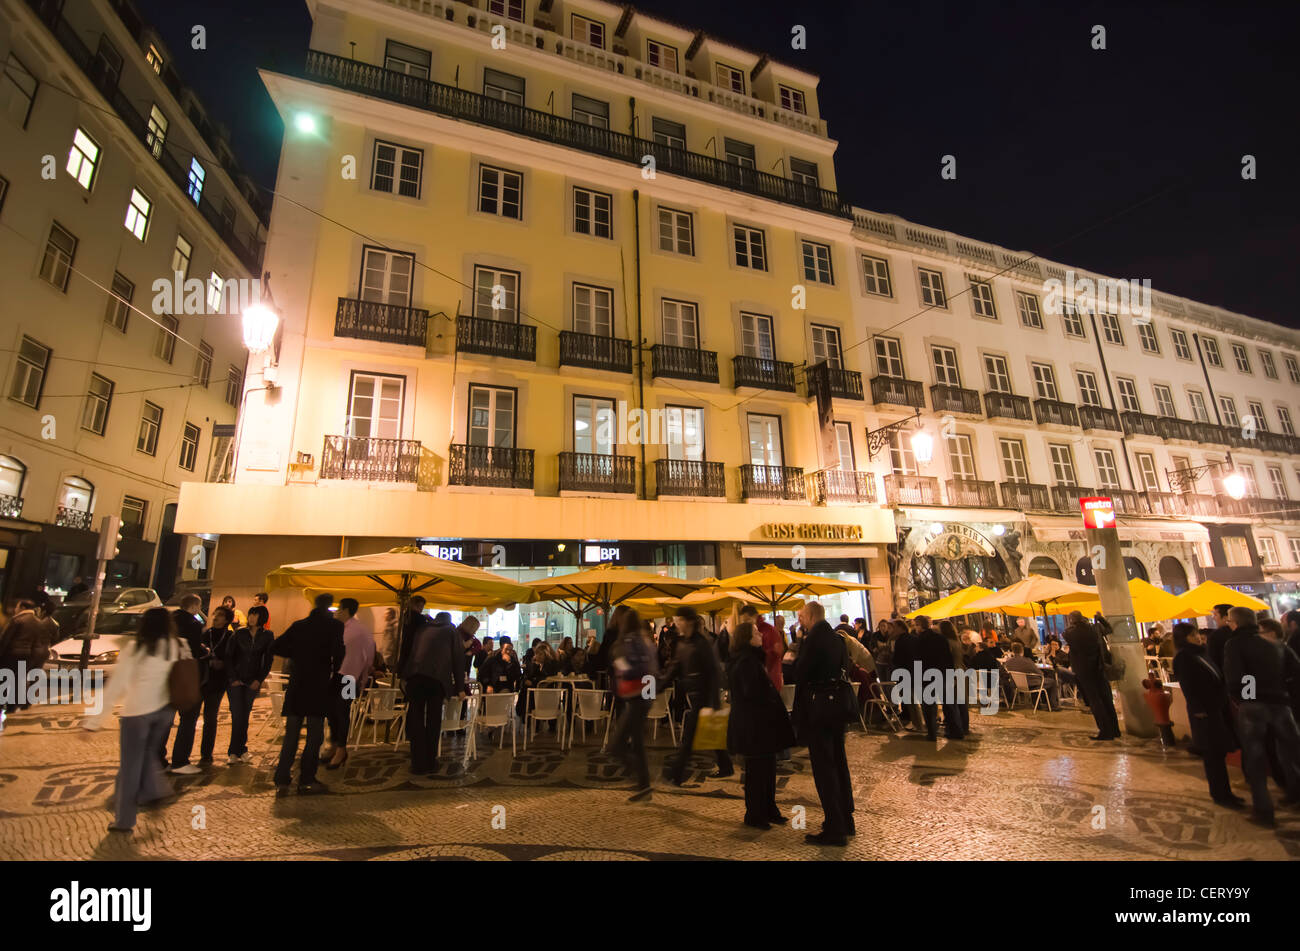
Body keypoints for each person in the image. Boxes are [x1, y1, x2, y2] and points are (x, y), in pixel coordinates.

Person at [82, 607, 188, 833]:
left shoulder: (135, 648)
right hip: (165, 712)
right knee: (147, 755)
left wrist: (93, 722)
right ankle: (153, 790)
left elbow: (116, 685)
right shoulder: (178, 645)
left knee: (130, 767)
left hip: (136, 713)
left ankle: (127, 818)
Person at [1222, 606, 1300, 826]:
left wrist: (1250, 697)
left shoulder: (1236, 644)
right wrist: (1283, 694)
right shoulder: (1276, 645)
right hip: (1281, 704)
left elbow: (1238, 677)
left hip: (1254, 706)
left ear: (1235, 623)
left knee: (1255, 758)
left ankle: (1264, 811)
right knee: (1293, 752)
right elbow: (1296, 673)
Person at [791, 601, 854, 845]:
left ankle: (834, 828)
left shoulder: (813, 640)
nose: (800, 622)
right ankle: (847, 820)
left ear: (810, 616)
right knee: (839, 762)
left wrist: (796, 652)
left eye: (801, 617)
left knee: (824, 768)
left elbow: (801, 673)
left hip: (818, 711)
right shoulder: (837, 639)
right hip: (837, 708)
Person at [271, 594, 345, 794]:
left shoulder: (299, 625)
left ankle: (282, 779)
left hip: (297, 685)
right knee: (314, 736)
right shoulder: (335, 627)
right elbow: (339, 654)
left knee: (291, 736)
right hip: (318, 686)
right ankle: (306, 779)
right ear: (329, 606)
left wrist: (296, 654)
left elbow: (276, 646)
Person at [726, 620, 796, 829]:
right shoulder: (745, 662)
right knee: (757, 771)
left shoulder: (753, 659)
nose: (761, 635)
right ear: (746, 638)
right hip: (753, 726)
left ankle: (768, 809)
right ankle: (755, 814)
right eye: (756, 633)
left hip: (761, 725)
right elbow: (751, 694)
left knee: (767, 768)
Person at [1172, 622, 1242, 808]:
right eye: (1192, 634)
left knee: (1218, 752)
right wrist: (1198, 709)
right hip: (1204, 713)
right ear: (1184, 637)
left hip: (1216, 708)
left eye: (1196, 634)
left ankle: (1226, 792)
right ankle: (1221, 794)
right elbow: (1188, 686)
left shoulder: (1200, 653)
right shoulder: (1184, 657)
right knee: (1212, 754)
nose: (1198, 637)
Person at [668, 607, 733, 785]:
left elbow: (712, 672)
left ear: (688, 621)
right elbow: (673, 669)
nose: (677, 623)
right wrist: (652, 689)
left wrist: (713, 702)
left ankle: (676, 775)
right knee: (709, 734)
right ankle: (726, 766)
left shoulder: (701, 643)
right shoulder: (682, 643)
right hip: (694, 696)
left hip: (704, 697)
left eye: (679, 619)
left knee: (689, 738)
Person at [399, 610, 465, 775]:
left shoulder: (423, 629)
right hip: (436, 680)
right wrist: (460, 688)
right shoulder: (451, 631)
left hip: (414, 678)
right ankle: (430, 761)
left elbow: (412, 652)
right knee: (433, 721)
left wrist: (404, 676)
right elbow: (458, 659)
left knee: (416, 720)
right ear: (449, 621)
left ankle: (417, 763)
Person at [608, 608, 658, 802]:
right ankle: (644, 786)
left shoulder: (629, 641)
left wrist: (622, 669)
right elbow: (653, 670)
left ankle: (638, 776)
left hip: (635, 696)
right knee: (637, 742)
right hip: (644, 696)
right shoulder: (647, 640)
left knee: (616, 745)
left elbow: (633, 668)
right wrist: (649, 698)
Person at [323, 598, 373, 769]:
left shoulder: (358, 630)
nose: (336, 612)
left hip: (350, 678)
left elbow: (368, 655)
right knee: (330, 710)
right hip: (335, 676)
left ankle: (341, 750)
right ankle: (335, 744)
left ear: (345, 610)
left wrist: (363, 678)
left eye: (339, 609)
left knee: (342, 712)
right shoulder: (340, 628)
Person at [223, 604, 273, 765]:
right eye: (250, 614)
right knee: (237, 715)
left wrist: (259, 680)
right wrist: (232, 678)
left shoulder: (267, 635)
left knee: (245, 715)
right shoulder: (239, 633)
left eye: (255, 615)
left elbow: (268, 660)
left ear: (262, 618)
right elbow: (229, 657)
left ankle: (241, 749)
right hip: (236, 681)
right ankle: (234, 751)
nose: (251, 617)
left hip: (253, 681)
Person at [1064, 610, 1120, 740]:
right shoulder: (1095, 628)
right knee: (1106, 699)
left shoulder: (1071, 633)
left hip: (1085, 671)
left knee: (1095, 701)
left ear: (1072, 620)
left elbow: (1065, 633)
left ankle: (1105, 731)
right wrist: (1100, 618)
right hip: (1100, 667)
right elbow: (1109, 629)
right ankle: (1115, 729)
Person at [167, 595, 207, 773]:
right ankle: (180, 760)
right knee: (188, 719)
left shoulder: (168, 621)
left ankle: (159, 759)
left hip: (166, 676)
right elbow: (195, 651)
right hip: (186, 676)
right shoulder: (193, 624)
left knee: (166, 719)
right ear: (195, 607)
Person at [196, 606, 235, 766]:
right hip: (201, 679)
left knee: (210, 717)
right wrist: (207, 660)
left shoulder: (230, 636)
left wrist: (223, 664)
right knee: (191, 716)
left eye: (220, 615)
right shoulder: (206, 633)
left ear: (226, 619)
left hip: (218, 682)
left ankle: (206, 753)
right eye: (215, 614)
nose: (215, 617)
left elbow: (233, 658)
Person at [916, 614, 965, 738]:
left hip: (927, 676)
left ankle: (932, 733)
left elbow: (918, 660)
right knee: (949, 705)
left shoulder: (919, 640)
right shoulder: (941, 638)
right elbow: (948, 658)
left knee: (929, 707)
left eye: (916, 625)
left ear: (920, 626)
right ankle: (956, 731)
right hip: (944, 674)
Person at [0, 599, 47, 712]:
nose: (15, 609)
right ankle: (13, 706)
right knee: (18, 680)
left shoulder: (17, 620)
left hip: (11, 654)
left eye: (17, 607)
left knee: (5, 679)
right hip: (27, 656)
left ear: (23, 608)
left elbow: (5, 639)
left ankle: (2, 703)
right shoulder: (38, 622)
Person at [1005, 643, 1060, 711]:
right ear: (1022, 650)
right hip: (1031, 684)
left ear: (1012, 651)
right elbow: (1040, 673)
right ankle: (1054, 705)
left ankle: (1038, 704)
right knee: (1052, 682)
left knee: (1037, 681)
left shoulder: (1008, 662)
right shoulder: (1027, 661)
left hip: (1017, 685)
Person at [1141, 677, 1176, 746]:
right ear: (1149, 685)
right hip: (1163, 721)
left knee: (1166, 734)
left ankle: (1169, 746)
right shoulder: (1159, 695)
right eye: (1149, 680)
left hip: (1161, 720)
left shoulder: (1151, 695)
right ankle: (1170, 746)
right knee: (1167, 735)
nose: (1153, 679)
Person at [1206, 603, 1236, 672]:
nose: (1213, 617)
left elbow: (1213, 660)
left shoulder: (1216, 635)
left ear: (1226, 617)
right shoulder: (1241, 631)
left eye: (1215, 615)